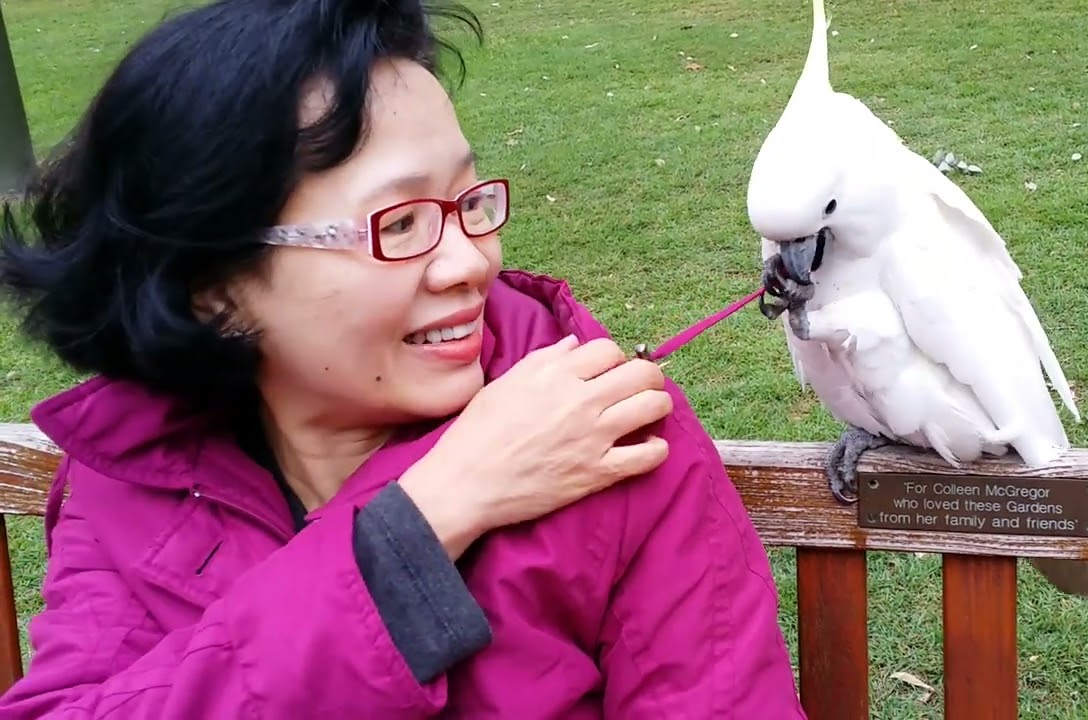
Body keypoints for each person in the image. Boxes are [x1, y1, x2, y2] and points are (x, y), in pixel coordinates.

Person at [0, 0, 808, 718]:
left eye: (470, 203)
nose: (471, 263)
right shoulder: (139, 468)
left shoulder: (611, 438)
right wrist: (418, 527)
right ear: (218, 288)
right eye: (400, 224)